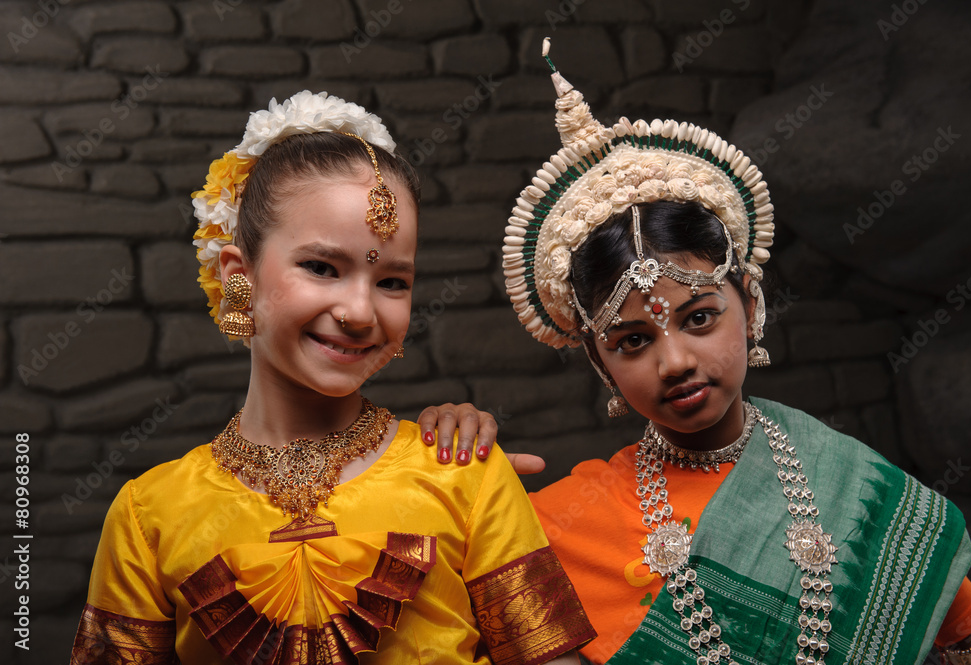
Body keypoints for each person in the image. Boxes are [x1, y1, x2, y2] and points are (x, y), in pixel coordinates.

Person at [445, 41, 971, 665]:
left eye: (699, 318)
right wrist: (434, 468)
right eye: (632, 341)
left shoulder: (861, 490)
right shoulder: (562, 524)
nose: (675, 359)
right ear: (600, 363)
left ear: (752, 306)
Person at [70, 91, 594, 665]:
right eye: (321, 268)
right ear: (238, 275)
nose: (361, 312)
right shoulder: (151, 514)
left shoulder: (461, 473)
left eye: (392, 282)